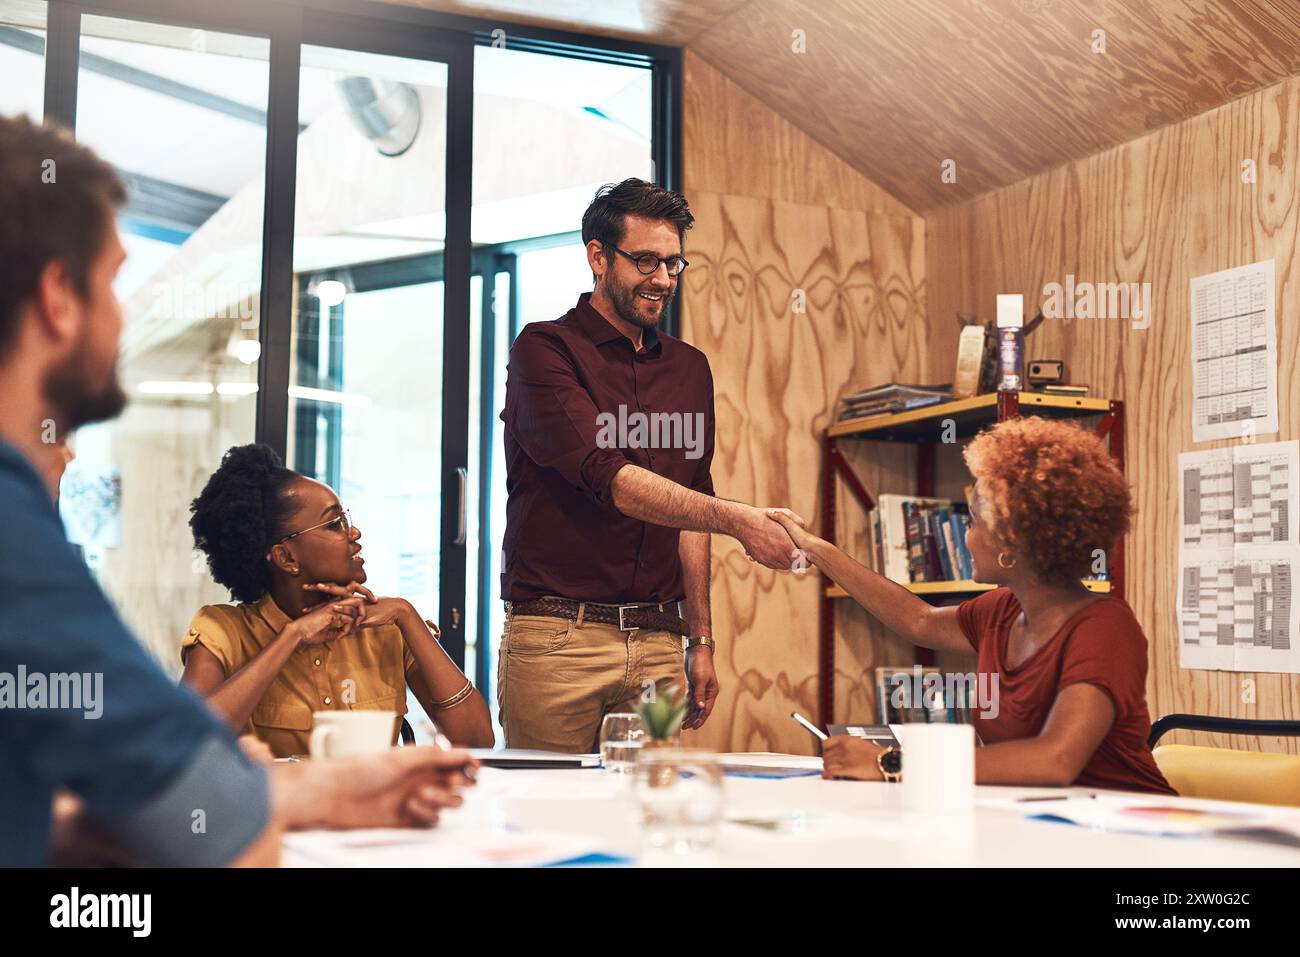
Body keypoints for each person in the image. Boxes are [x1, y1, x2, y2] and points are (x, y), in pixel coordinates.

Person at [0, 113, 476, 867]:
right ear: (59, 297)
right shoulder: (14, 534)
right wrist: (311, 794)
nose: (124, 319)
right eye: (112, 283)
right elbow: (209, 818)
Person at [497, 177, 803, 753]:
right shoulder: (543, 350)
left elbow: (691, 508)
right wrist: (739, 519)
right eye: (645, 262)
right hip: (560, 640)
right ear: (597, 256)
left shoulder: (691, 369)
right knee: (546, 817)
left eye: (673, 264)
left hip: (662, 643)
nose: (662, 281)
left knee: (651, 816)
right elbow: (605, 476)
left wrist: (701, 640)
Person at [771, 417, 1175, 794]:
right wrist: (817, 550)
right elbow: (918, 619)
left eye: (973, 521)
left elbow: (1056, 759)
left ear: (1010, 542)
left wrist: (891, 762)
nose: (964, 534)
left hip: (1131, 836)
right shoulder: (1002, 611)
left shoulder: (1104, 627)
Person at [182, 444, 494, 756]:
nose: (354, 533)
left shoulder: (388, 628)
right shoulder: (224, 631)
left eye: (346, 519)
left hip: (374, 801)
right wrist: (294, 635)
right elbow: (184, 743)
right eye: (335, 524)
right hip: (281, 804)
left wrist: (406, 613)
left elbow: (477, 740)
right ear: (287, 557)